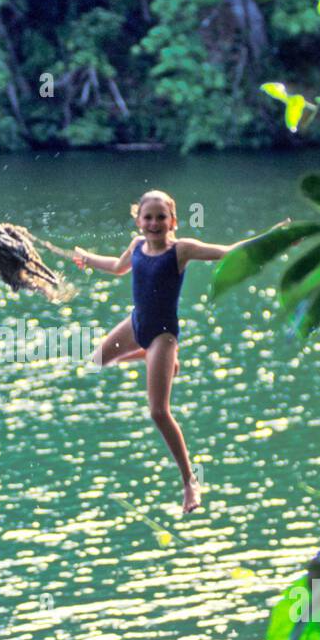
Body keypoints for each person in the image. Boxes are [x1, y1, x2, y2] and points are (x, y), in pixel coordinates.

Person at [73, 189, 287, 513]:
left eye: (162, 217)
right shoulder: (136, 246)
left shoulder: (181, 250)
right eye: (148, 217)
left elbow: (229, 252)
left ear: (173, 220)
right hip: (136, 324)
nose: (155, 222)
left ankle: (190, 482)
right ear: (138, 220)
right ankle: (151, 359)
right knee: (96, 359)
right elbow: (118, 267)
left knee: (158, 412)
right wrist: (88, 259)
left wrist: (273, 240)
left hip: (162, 335)